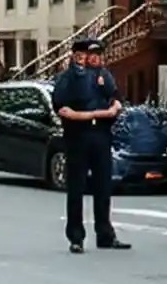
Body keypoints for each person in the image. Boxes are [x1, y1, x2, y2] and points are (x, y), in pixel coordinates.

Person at [51, 38, 130, 254]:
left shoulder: (103, 75)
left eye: (96, 54)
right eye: (87, 55)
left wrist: (111, 108)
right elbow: (61, 106)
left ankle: (105, 234)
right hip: (78, 136)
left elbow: (115, 98)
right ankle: (76, 237)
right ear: (77, 56)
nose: (93, 58)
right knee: (76, 187)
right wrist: (78, 71)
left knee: (103, 187)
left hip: (101, 134)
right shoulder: (68, 78)